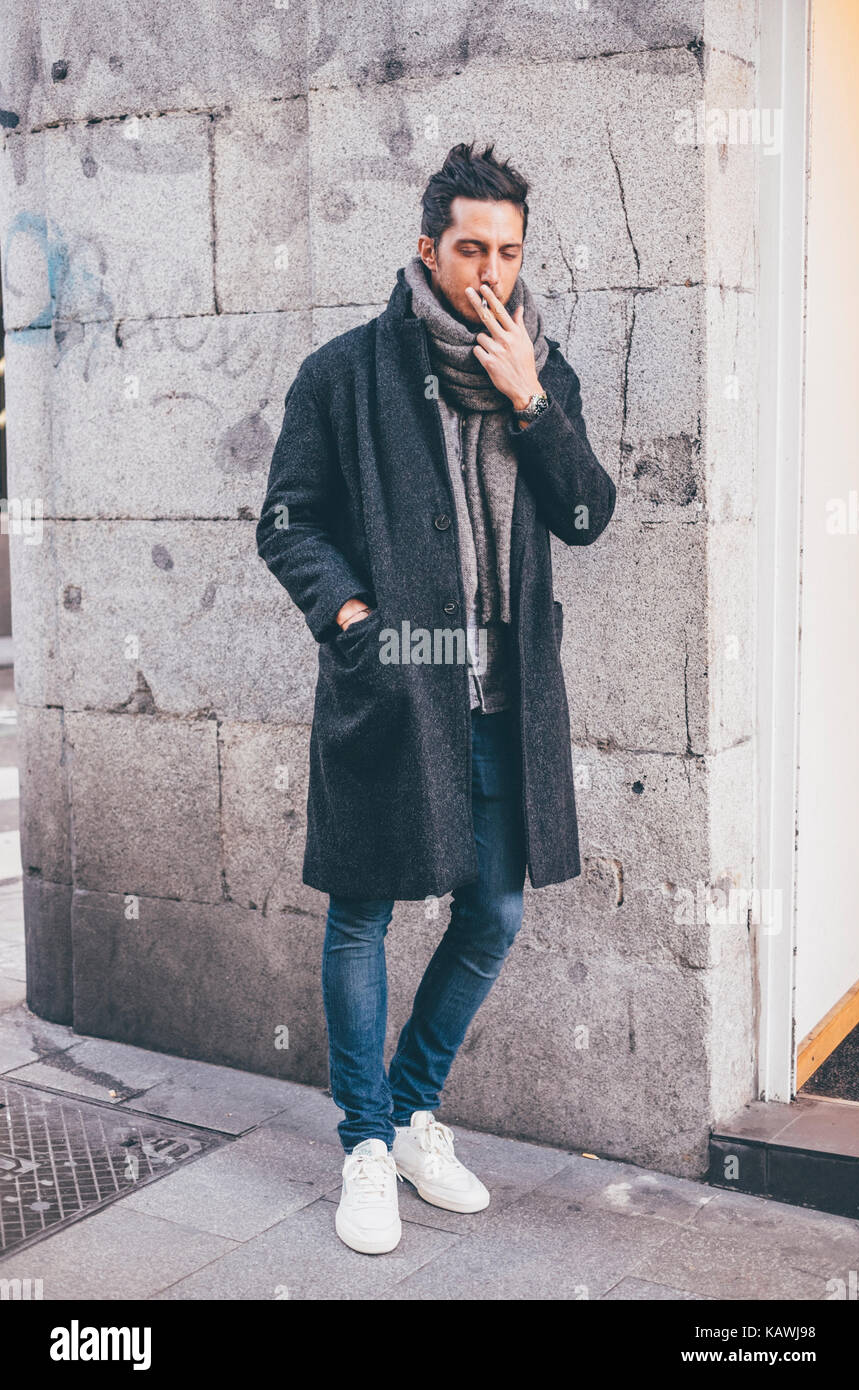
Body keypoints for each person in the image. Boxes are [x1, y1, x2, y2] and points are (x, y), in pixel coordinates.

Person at [256, 141, 616, 1254]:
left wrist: (529, 405)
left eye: (507, 252)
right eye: (470, 249)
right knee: (362, 906)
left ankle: (413, 1112)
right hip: (392, 689)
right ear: (426, 247)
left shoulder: (540, 372)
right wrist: (353, 622)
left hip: (505, 699)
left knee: (495, 910)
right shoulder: (345, 373)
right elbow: (286, 522)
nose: (490, 274)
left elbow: (586, 514)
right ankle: (365, 1142)